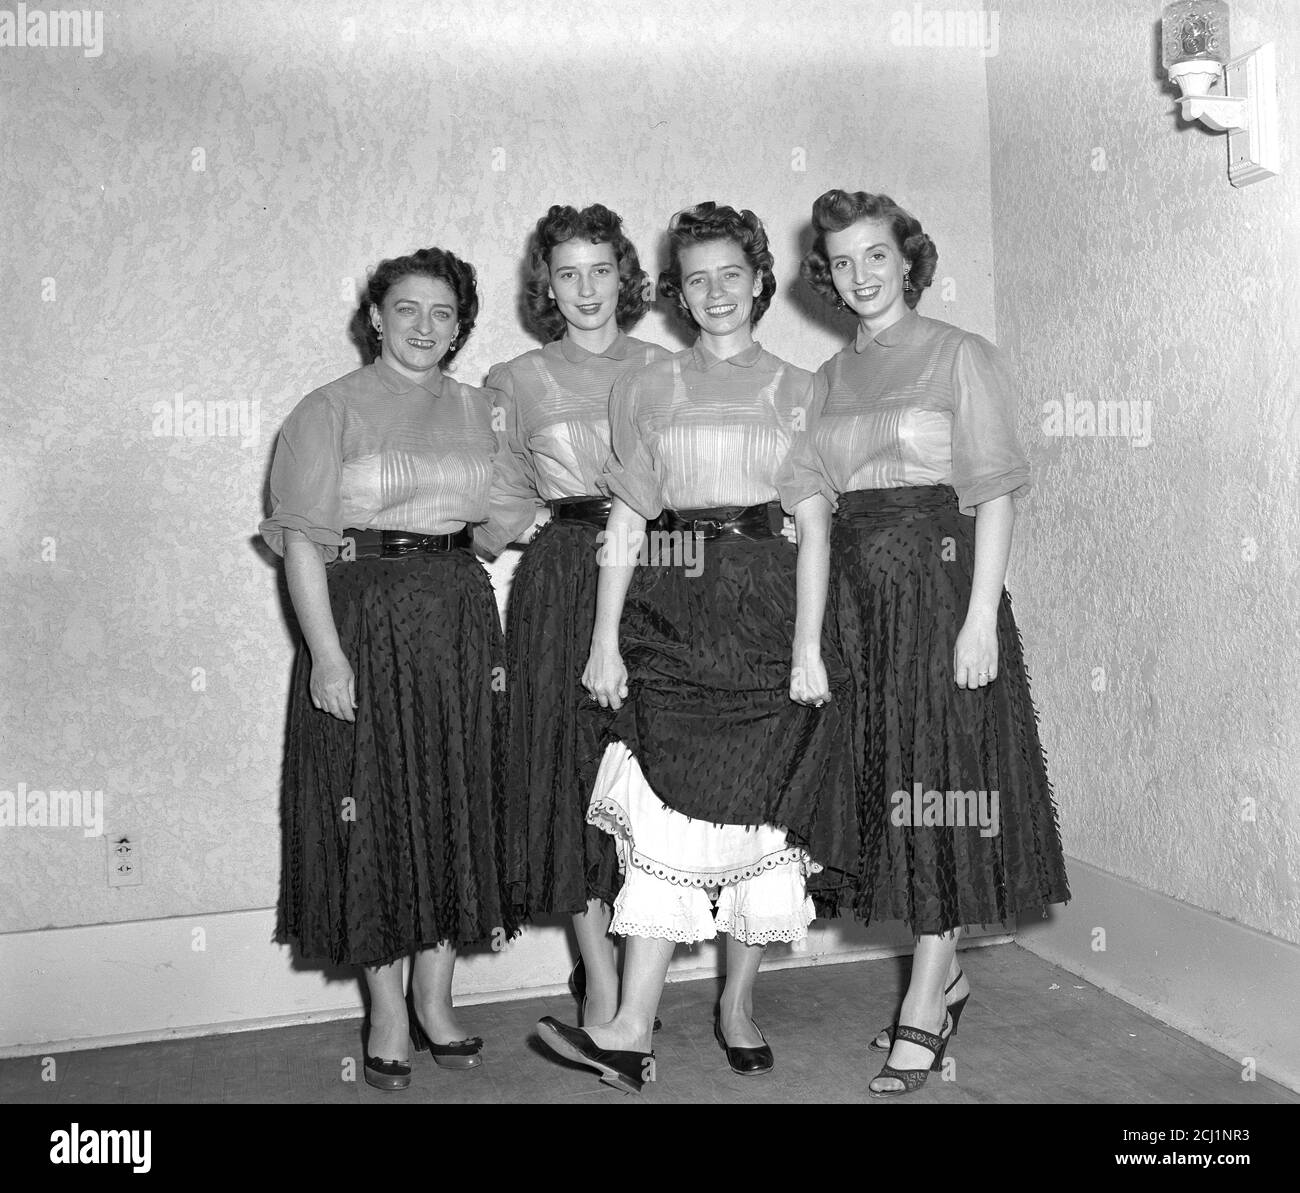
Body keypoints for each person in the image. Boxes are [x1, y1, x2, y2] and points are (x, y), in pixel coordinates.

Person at [535, 203, 856, 1094]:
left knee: (758, 815)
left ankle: (735, 1005)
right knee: (662, 803)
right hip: (668, 610)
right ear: (676, 293)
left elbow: (816, 524)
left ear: (760, 280)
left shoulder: (804, 387)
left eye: (730, 274)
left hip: (763, 609)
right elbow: (630, 518)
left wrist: (806, 645)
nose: (714, 293)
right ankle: (632, 1026)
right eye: (695, 278)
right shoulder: (649, 386)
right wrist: (604, 639)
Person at [788, 189, 1070, 1097]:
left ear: (908, 258)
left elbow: (993, 493)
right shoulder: (829, 379)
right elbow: (817, 516)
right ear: (824, 275)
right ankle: (941, 973)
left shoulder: (960, 355)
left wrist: (981, 616)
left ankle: (924, 998)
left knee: (939, 784)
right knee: (888, 787)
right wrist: (811, 639)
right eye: (841, 261)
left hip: (943, 597)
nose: (861, 274)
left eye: (877, 255)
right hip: (860, 613)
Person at [260, 247, 514, 1091]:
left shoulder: (484, 408)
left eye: (443, 314)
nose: (425, 327)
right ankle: (388, 1012)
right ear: (376, 315)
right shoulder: (326, 410)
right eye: (407, 309)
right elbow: (302, 541)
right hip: (362, 624)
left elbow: (496, 516)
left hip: (457, 621)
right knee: (373, 807)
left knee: (450, 798)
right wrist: (326, 655)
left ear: (460, 327)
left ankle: (438, 1000)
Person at [475, 204, 670, 1026]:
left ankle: (638, 969)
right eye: (568, 273)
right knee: (568, 776)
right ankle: (598, 976)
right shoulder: (514, 382)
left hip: (663, 575)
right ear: (546, 286)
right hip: (561, 582)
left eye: (601, 270)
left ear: (625, 276)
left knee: (652, 780)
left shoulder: (667, 366)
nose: (586, 289)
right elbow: (493, 500)